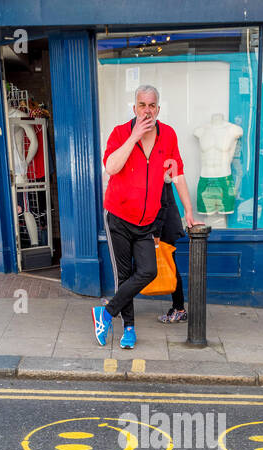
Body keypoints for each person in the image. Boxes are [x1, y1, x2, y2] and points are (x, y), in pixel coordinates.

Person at [94, 85, 197, 349]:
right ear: (134, 108)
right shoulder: (120, 133)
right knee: (124, 274)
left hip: (146, 222)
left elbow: (178, 174)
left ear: (158, 109)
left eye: (152, 105)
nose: (147, 110)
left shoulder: (168, 135)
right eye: (142, 105)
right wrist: (134, 136)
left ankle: (105, 313)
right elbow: (111, 167)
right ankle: (129, 328)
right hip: (118, 217)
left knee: (148, 270)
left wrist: (188, 210)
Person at [151, 179, 188, 323]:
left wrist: (156, 234)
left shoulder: (158, 171)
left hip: (164, 227)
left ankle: (179, 309)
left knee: (170, 267)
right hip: (164, 226)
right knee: (171, 266)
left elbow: (162, 204)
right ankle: (179, 308)